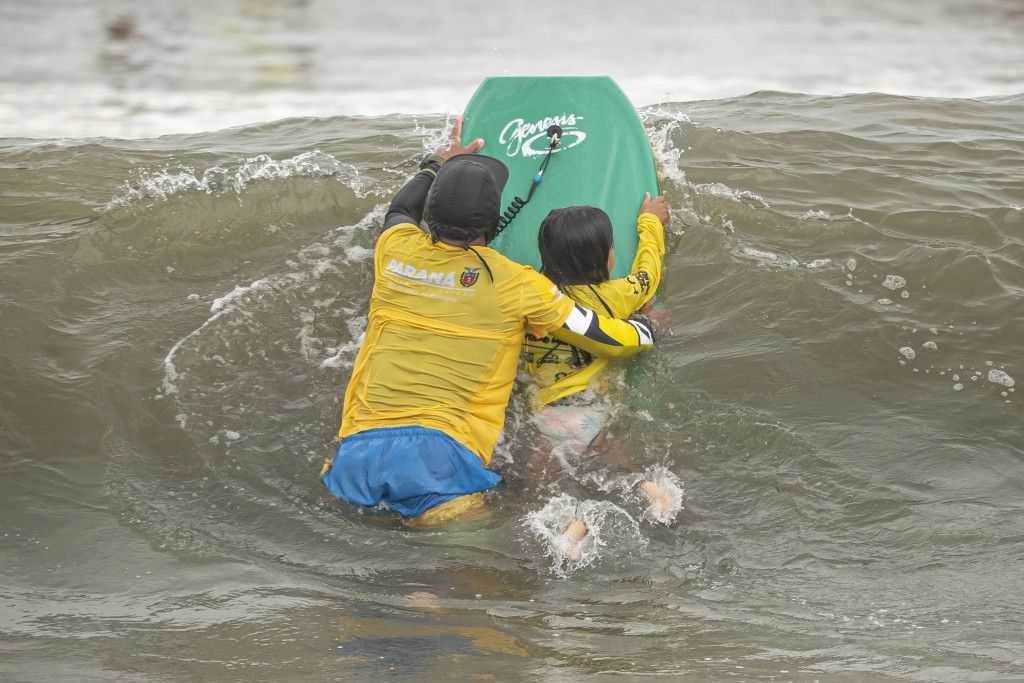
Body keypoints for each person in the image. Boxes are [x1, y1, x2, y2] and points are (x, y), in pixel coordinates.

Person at [320, 118, 657, 526]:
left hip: (355, 455)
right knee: (467, 572)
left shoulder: (393, 250)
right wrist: (646, 328)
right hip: (442, 459)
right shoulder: (516, 283)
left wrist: (438, 163)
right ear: (494, 224)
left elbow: (400, 209)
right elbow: (603, 334)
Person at [522, 197, 673, 554]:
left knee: (540, 492)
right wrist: (650, 223)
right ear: (608, 257)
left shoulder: (533, 299)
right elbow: (648, 274)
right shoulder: (616, 295)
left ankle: (572, 532)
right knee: (619, 469)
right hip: (588, 412)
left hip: (545, 416)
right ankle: (655, 495)